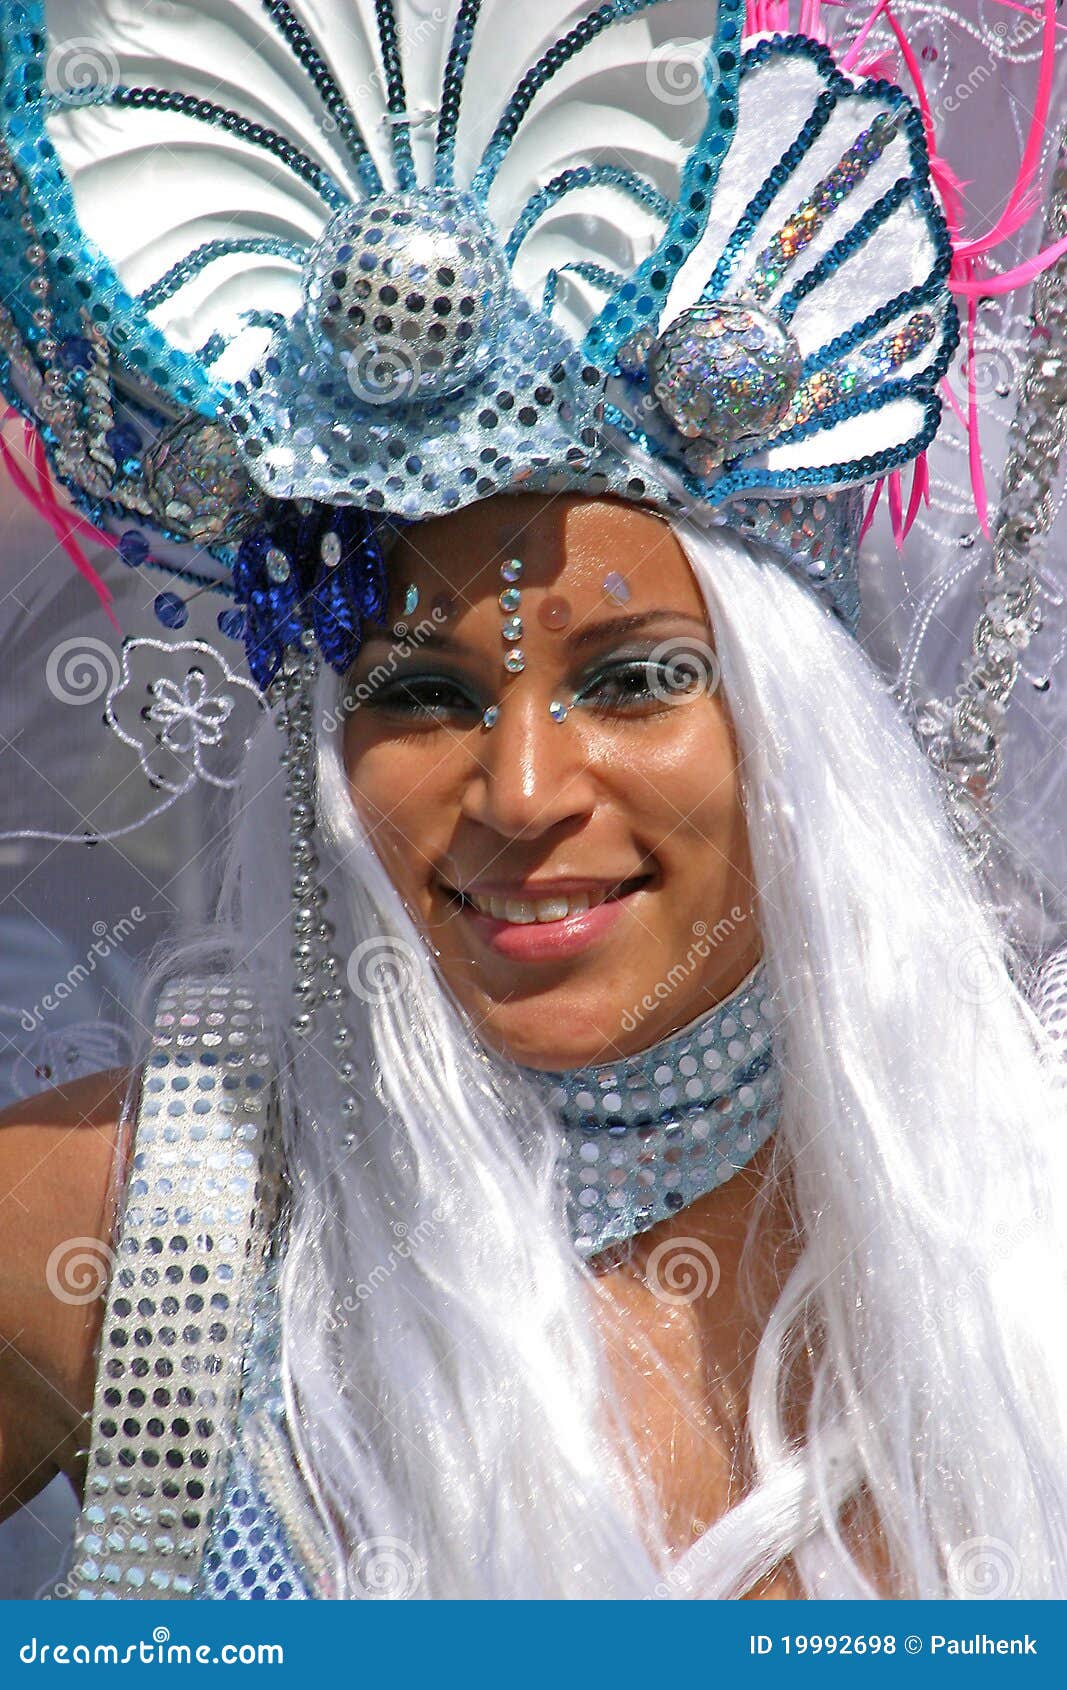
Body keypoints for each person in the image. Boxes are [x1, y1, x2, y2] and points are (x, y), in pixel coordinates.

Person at [1, 0, 1067, 1601]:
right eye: (420, 695)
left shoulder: (1026, 1184)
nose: (519, 791)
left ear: (801, 728)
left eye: (635, 679)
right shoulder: (124, 1228)